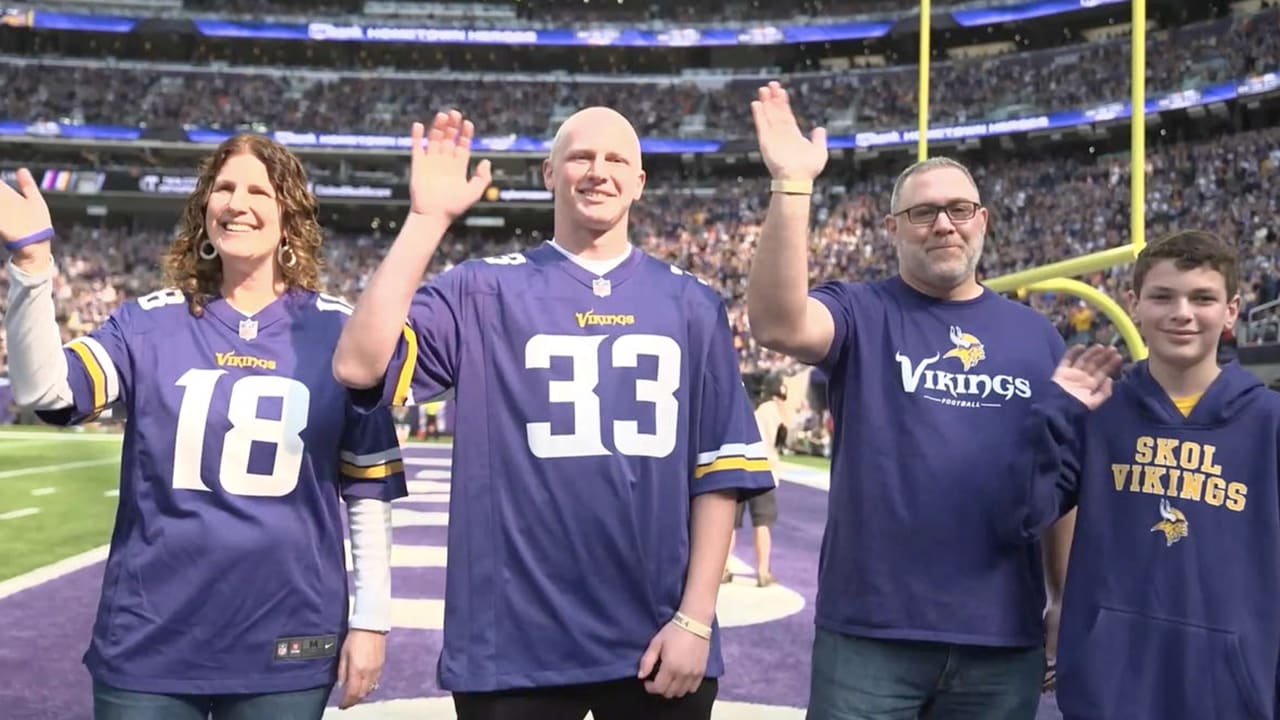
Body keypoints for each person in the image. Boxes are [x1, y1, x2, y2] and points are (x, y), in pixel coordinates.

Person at [332, 108, 776, 720]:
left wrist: (697, 619)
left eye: (616, 159)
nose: (598, 171)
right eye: (581, 157)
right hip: (512, 647)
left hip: (656, 638)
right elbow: (360, 367)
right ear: (549, 173)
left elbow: (720, 473)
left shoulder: (692, 303)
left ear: (640, 181)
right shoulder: (479, 289)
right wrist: (425, 219)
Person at [1, 134, 408, 719]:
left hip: (287, 636)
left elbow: (366, 486)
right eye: (223, 188)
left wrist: (371, 621)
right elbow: (48, 392)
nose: (237, 203)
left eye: (257, 190)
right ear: (203, 209)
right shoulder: (147, 322)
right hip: (152, 636)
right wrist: (34, 265)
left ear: (288, 213)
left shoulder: (340, 332)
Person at [745, 81, 1073, 719]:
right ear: (893, 228)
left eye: (959, 208)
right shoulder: (863, 310)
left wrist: (1063, 597)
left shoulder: (1038, 338)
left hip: (1000, 635)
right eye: (923, 212)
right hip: (872, 632)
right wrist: (791, 185)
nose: (943, 223)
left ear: (982, 221)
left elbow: (1060, 480)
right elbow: (780, 324)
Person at [1004, 230, 1280, 720]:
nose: (1182, 312)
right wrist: (1053, 414)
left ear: (1232, 310)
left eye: (1202, 298)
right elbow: (1018, 513)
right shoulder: (1097, 411)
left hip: (1233, 695)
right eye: (1162, 296)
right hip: (1110, 689)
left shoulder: (1269, 422)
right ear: (1133, 304)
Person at [724, 372, 786, 587]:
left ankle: (723, 566)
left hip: (738, 464)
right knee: (762, 522)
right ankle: (762, 570)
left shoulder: (739, 403)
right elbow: (782, 436)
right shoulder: (771, 409)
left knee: (730, 524)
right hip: (764, 465)